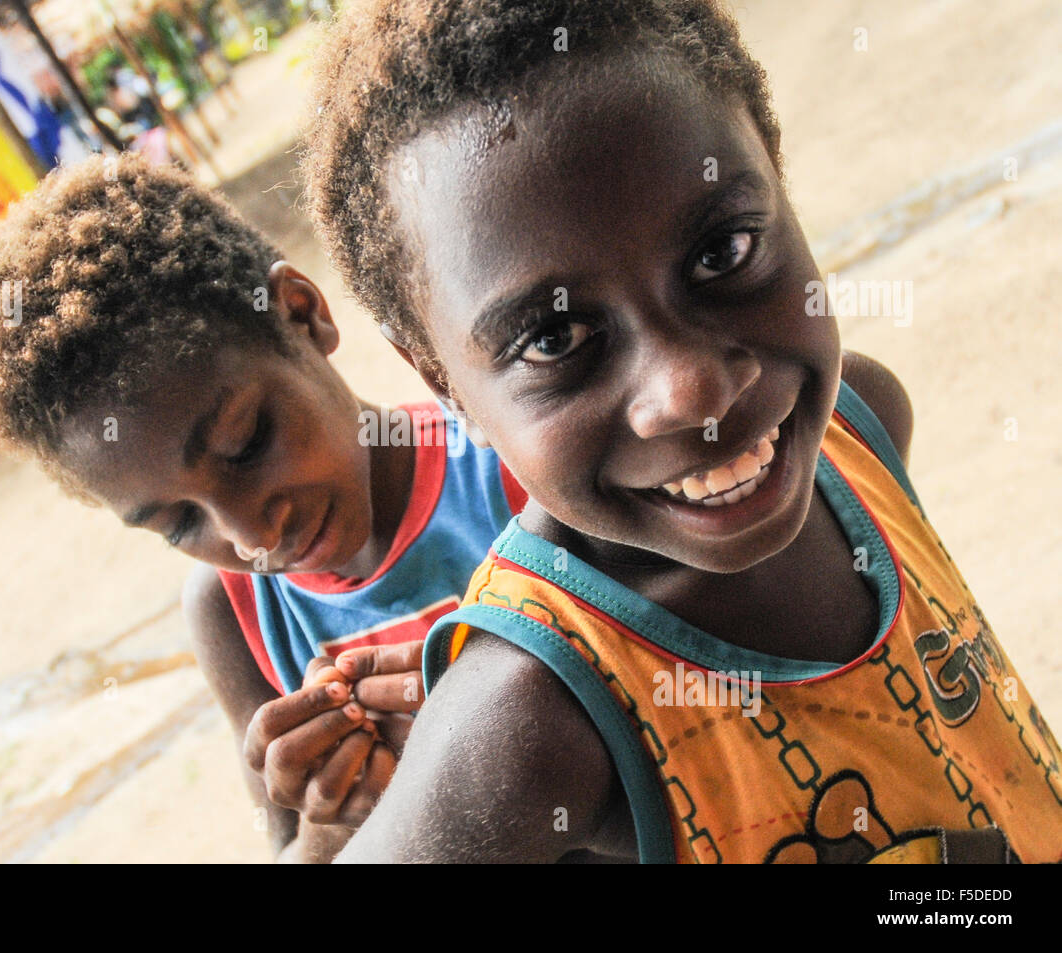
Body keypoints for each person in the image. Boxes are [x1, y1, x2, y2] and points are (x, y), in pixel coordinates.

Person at [302, 0, 1062, 862]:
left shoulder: (863, 426)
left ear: (776, 173)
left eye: (722, 252)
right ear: (445, 384)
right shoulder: (536, 712)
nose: (692, 390)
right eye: (554, 340)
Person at [0, 153, 524, 862]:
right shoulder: (234, 612)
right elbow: (286, 846)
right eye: (179, 523)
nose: (251, 535)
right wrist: (331, 821)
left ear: (302, 316)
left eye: (245, 444)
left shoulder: (510, 471)